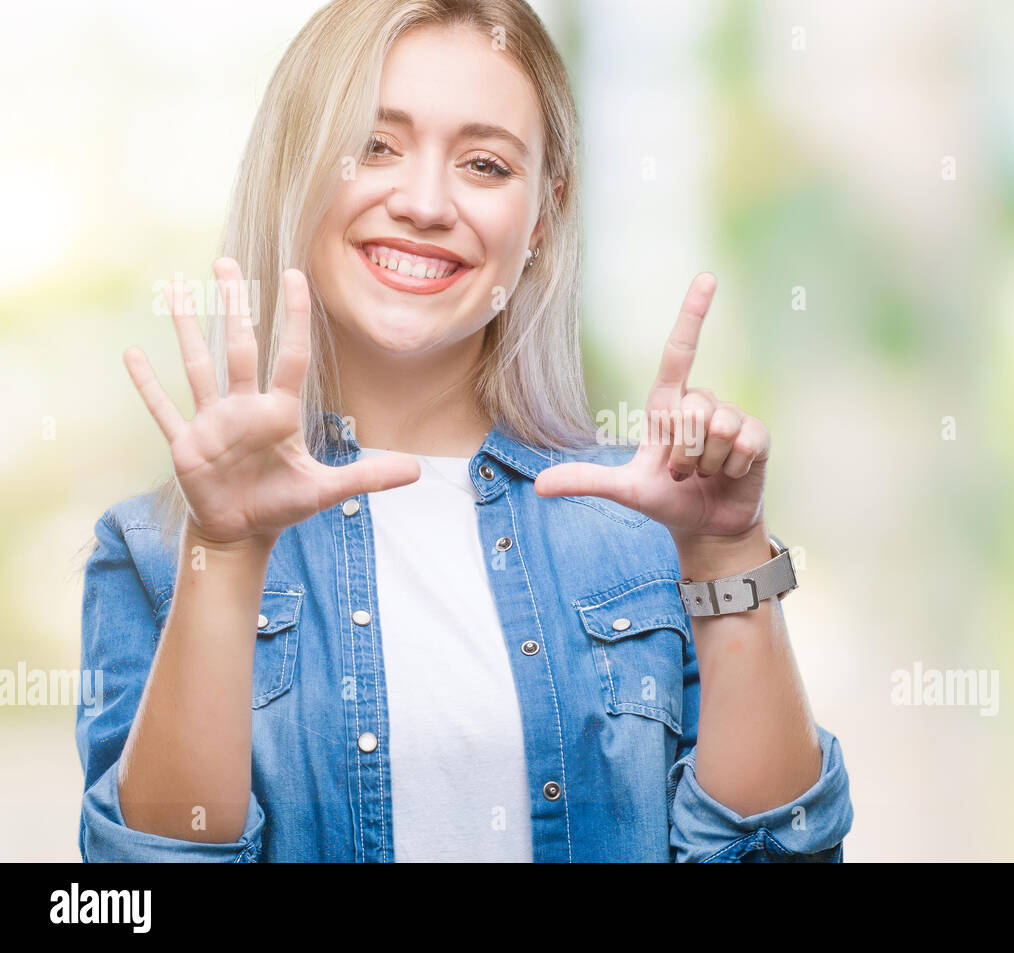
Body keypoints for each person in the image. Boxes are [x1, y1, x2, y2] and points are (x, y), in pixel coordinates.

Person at [77, 0, 853, 862]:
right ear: (296, 164)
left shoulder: (647, 533)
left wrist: (723, 554)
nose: (424, 201)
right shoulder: (155, 552)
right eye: (374, 144)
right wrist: (223, 555)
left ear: (543, 216)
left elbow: (783, 856)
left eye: (485, 164)